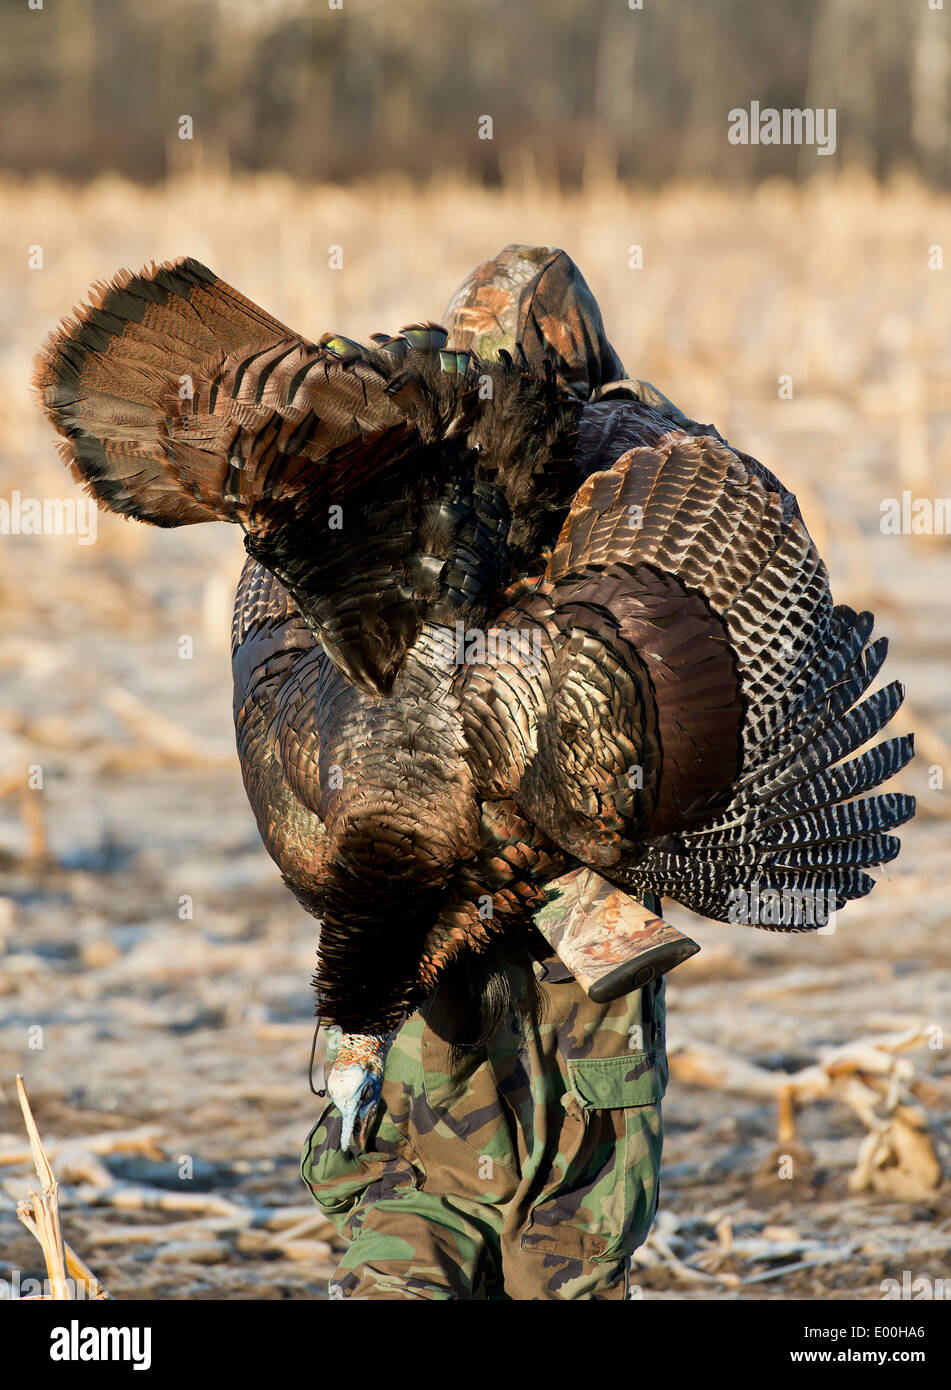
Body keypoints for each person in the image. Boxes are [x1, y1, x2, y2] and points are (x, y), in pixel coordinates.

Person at [301, 247, 674, 1301]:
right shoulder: (638, 466)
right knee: (563, 1217)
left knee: (413, 1197)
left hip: (431, 890)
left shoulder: (381, 474)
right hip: (553, 899)